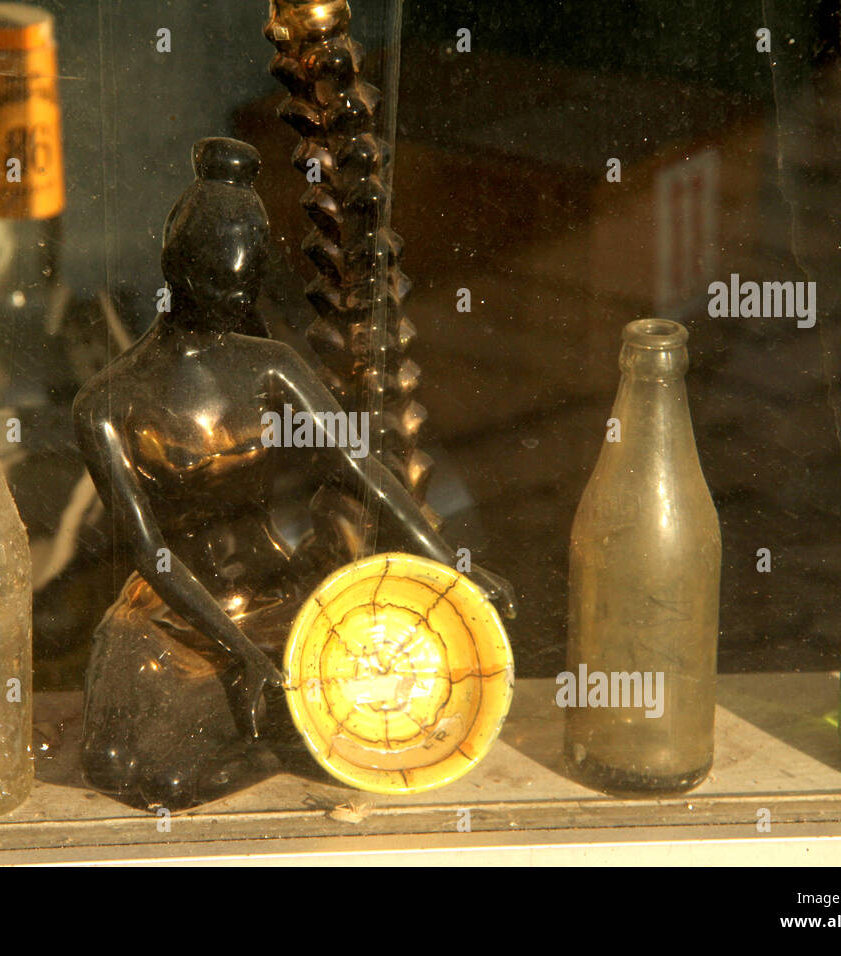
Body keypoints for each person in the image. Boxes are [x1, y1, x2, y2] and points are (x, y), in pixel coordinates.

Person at [72, 138, 515, 808]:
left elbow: (362, 467)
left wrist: (454, 567)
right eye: (209, 284)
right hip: (172, 613)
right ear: (172, 265)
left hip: (279, 604)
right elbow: (152, 552)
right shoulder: (108, 402)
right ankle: (261, 723)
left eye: (239, 289)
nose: (225, 302)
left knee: (185, 774)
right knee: (117, 765)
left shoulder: (269, 365)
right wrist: (236, 655)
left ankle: (269, 729)